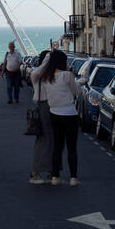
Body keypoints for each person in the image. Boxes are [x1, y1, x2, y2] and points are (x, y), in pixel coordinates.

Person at [33, 49, 81, 186]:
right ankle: (73, 178)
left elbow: (36, 74)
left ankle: (55, 176)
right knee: (71, 147)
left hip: (54, 114)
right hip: (70, 114)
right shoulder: (67, 75)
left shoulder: (46, 78)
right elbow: (75, 92)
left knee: (57, 146)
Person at [27, 49, 53, 184]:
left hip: (53, 108)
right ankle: (35, 172)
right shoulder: (37, 76)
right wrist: (47, 59)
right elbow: (36, 72)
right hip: (42, 108)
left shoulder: (52, 75)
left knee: (52, 141)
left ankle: (50, 171)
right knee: (42, 141)